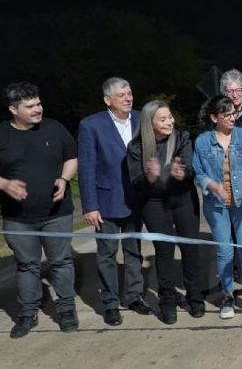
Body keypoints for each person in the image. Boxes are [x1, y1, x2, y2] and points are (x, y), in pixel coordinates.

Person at [0, 82, 79, 338]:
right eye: (30, 106)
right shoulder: (2, 134)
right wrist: (5, 184)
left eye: (38, 103)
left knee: (61, 262)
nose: (38, 109)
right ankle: (27, 313)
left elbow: (71, 157)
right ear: (13, 109)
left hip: (57, 213)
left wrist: (64, 179)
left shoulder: (54, 128)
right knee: (26, 265)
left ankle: (66, 309)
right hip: (18, 218)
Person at [78, 77, 149, 326]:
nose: (128, 98)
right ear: (108, 100)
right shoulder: (91, 125)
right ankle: (109, 303)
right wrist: (90, 206)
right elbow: (86, 168)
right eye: (122, 95)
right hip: (106, 201)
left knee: (134, 251)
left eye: (130, 93)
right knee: (107, 254)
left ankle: (134, 296)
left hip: (136, 200)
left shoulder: (143, 119)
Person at [126, 100, 205, 324]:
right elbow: (135, 183)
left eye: (170, 117)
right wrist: (149, 177)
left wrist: (184, 174)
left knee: (190, 248)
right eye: (163, 119)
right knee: (164, 252)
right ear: (149, 123)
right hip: (154, 204)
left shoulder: (182, 138)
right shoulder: (136, 147)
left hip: (183, 200)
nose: (170, 121)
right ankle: (167, 302)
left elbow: (190, 169)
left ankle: (195, 298)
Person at [193, 95, 242, 320]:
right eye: (226, 115)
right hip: (217, 206)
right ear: (214, 117)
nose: (232, 118)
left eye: (234, 113)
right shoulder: (203, 141)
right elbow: (198, 173)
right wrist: (213, 186)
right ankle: (228, 296)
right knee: (225, 252)